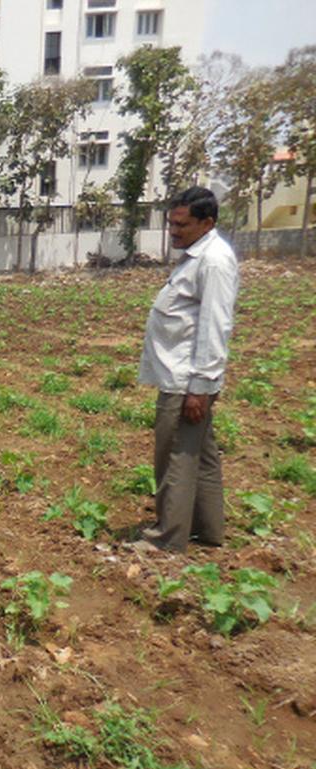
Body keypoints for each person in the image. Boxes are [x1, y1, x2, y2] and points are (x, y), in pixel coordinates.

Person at [136, 186, 240, 552]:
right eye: (171, 223)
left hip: (186, 380)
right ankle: (208, 531)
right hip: (184, 375)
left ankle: (167, 539)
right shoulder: (199, 255)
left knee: (176, 456)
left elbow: (215, 325)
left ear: (207, 222)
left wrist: (200, 387)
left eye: (182, 224)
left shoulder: (212, 261)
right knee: (202, 455)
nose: (173, 231)